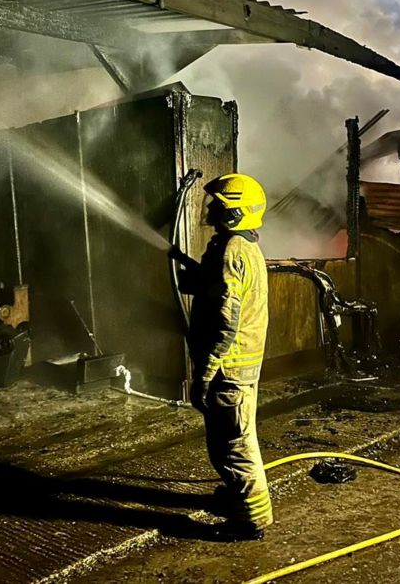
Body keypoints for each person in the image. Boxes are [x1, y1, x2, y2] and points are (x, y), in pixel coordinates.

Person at [170, 172, 272, 540]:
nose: (211, 210)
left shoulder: (231, 252)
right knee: (225, 441)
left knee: (235, 447)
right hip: (235, 367)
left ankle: (251, 522)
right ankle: (235, 497)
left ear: (236, 213)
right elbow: (222, 289)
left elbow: (225, 322)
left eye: (219, 206)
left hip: (229, 369)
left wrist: (205, 372)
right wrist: (189, 268)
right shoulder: (239, 247)